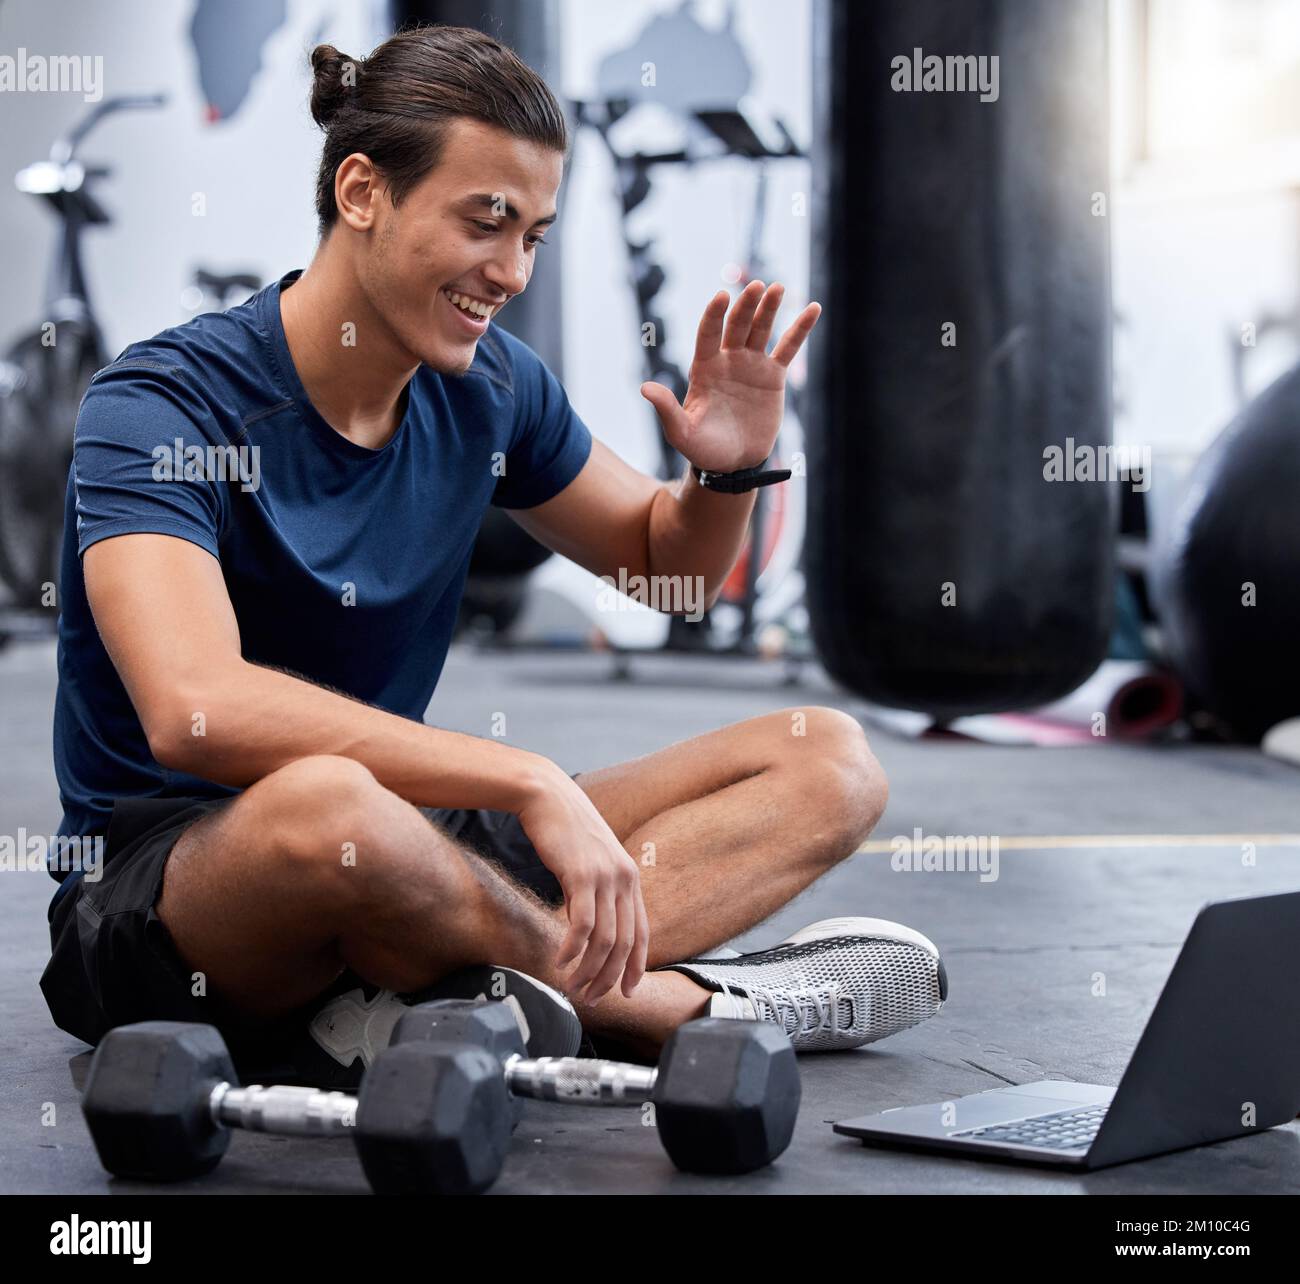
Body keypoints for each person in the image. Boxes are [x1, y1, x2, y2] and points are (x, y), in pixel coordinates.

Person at [40, 24, 945, 1084]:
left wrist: (726, 474)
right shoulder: (161, 403)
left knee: (825, 757)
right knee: (330, 806)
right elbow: (196, 708)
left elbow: (672, 570)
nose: (512, 271)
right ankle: (662, 1001)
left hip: (416, 848)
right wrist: (524, 780)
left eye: (535, 236)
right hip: (184, 890)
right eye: (487, 222)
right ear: (363, 192)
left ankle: (455, 990)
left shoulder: (491, 388)